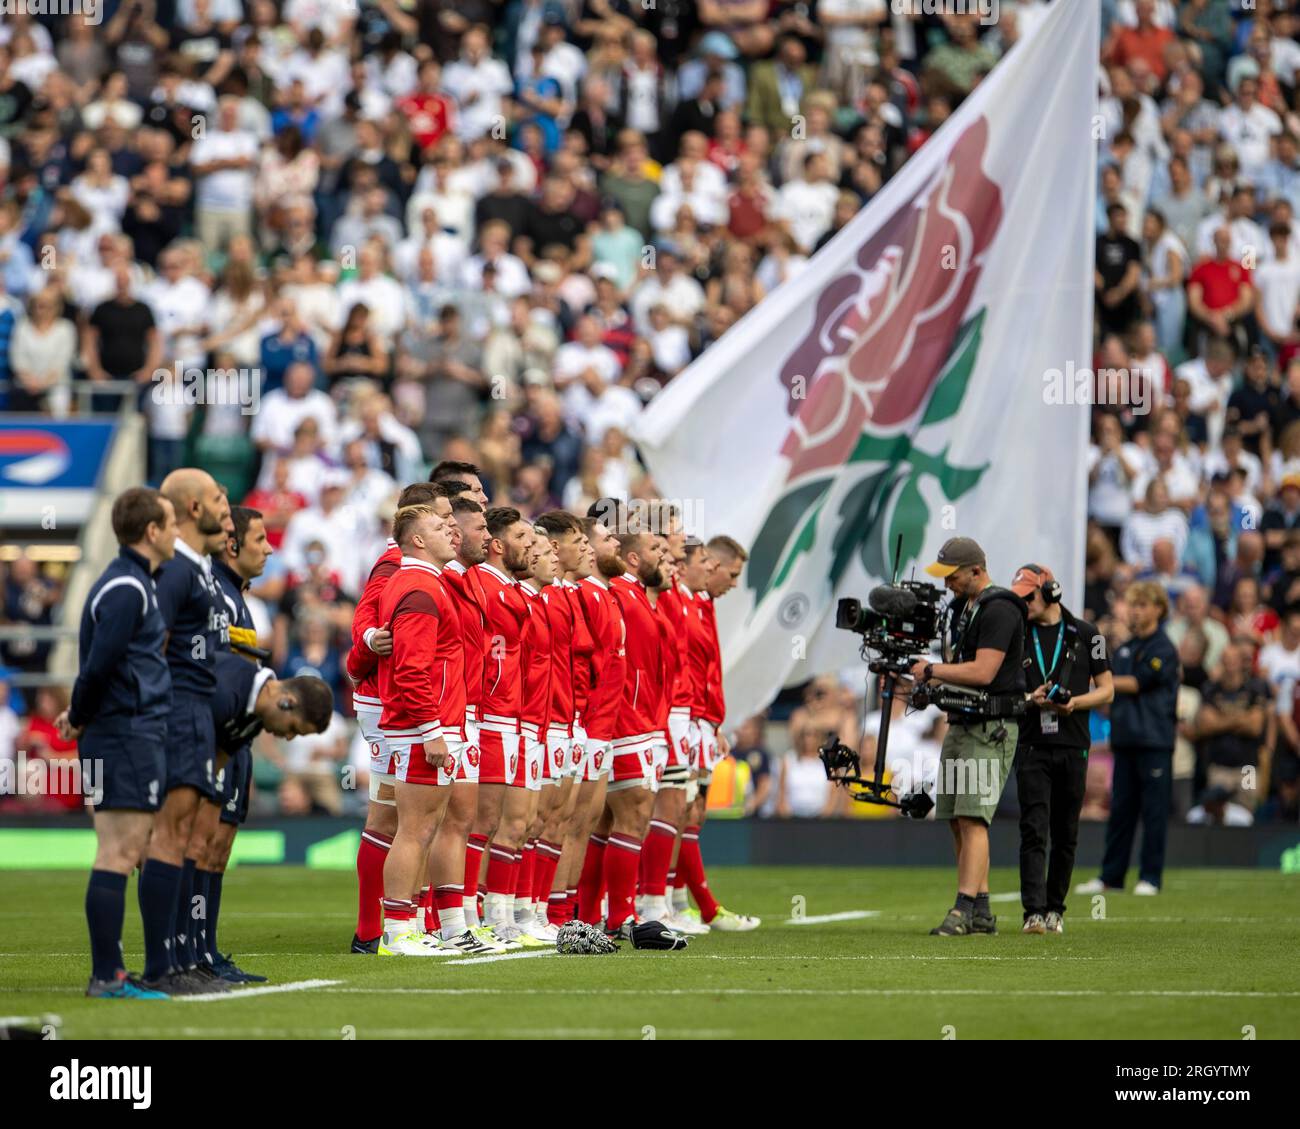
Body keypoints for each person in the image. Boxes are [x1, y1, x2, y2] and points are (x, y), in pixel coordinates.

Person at [59, 487, 178, 999]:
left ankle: (117, 972)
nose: (175, 533)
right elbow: (99, 665)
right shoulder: (127, 588)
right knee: (119, 850)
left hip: (131, 730)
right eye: (170, 523)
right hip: (122, 732)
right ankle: (107, 976)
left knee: (132, 848)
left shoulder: (135, 583)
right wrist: (79, 715)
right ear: (151, 531)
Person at [911, 536, 1027, 936]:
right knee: (959, 820)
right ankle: (981, 910)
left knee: (973, 816)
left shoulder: (1001, 607)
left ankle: (961, 909)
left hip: (989, 726)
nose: (948, 585)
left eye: (953, 576)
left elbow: (983, 672)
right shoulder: (967, 607)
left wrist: (932, 670)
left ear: (977, 570)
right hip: (963, 720)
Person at [150, 469, 233, 989]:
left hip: (199, 713)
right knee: (172, 838)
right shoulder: (177, 571)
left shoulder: (198, 568)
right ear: (195, 508)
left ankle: (184, 959)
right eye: (220, 497)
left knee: (188, 839)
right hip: (179, 713)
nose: (228, 505)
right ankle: (165, 964)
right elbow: (150, 643)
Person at [1009, 564, 1114, 936]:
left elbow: (1108, 689)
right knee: (1033, 828)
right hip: (1032, 742)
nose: (1023, 603)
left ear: (1050, 592)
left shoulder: (1088, 634)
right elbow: (1003, 690)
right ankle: (1032, 912)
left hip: (1072, 742)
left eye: (1029, 595)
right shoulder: (1018, 635)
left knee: (1066, 830)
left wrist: (1075, 703)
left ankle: (1056, 908)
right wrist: (1029, 699)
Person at [200, 506, 275, 982]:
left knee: (218, 847)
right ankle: (188, 953)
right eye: (260, 538)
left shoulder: (236, 596)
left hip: (236, 739)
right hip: (215, 737)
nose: (269, 548)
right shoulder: (216, 595)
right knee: (200, 845)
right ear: (233, 545)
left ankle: (203, 951)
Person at [1078, 581, 1180, 896]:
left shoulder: (1163, 648)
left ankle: (1150, 877)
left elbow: (1138, 683)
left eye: (1142, 605)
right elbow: (1115, 686)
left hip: (1153, 741)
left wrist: (1097, 684)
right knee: (1120, 811)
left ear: (1158, 610)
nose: (1135, 611)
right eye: (1133, 605)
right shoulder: (1124, 648)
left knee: (1153, 813)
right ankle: (1112, 876)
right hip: (1125, 740)